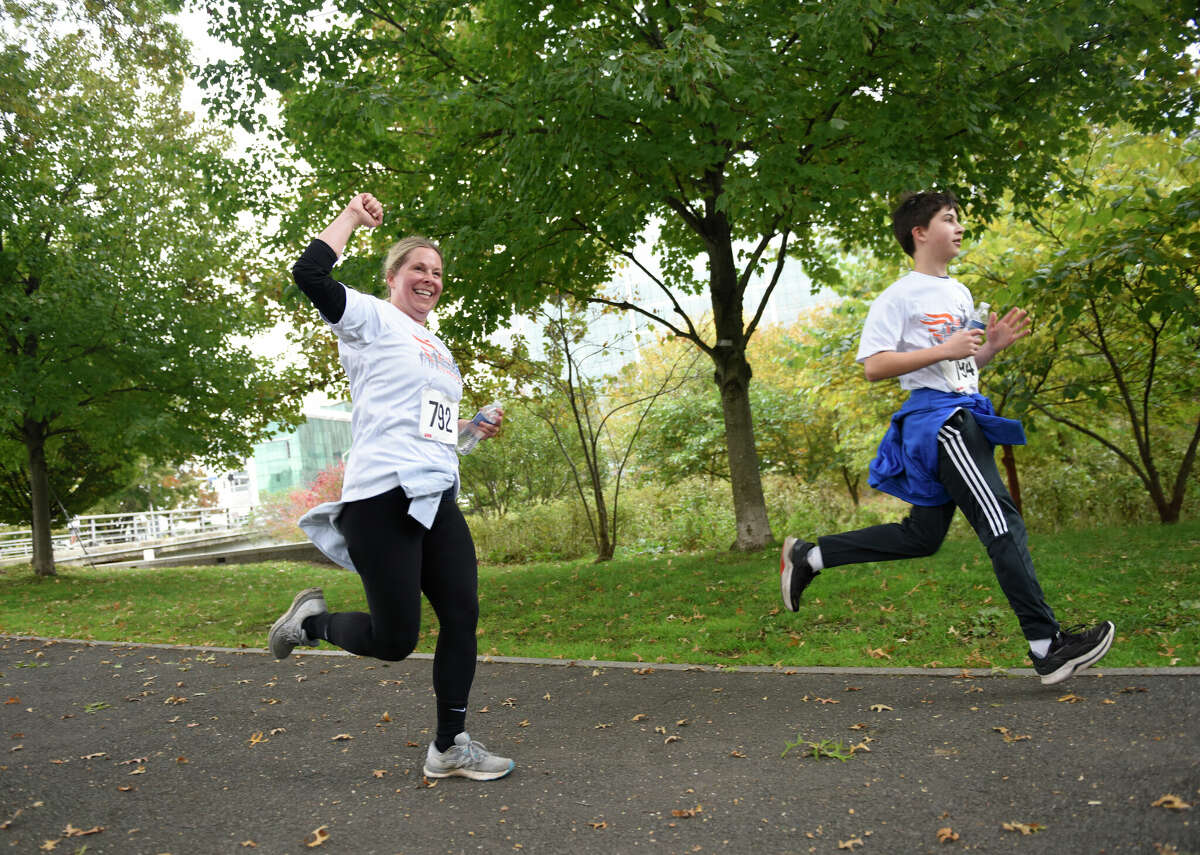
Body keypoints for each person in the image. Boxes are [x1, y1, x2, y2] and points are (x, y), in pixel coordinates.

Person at [778, 190, 1114, 686]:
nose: (959, 227)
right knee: (1002, 522)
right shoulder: (899, 296)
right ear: (920, 232)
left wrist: (987, 350)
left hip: (959, 412)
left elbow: (956, 367)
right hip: (942, 424)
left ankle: (810, 557)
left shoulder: (956, 293)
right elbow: (876, 366)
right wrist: (947, 348)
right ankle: (1048, 646)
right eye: (949, 219)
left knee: (922, 536)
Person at [268, 192, 514, 780]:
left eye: (436, 272)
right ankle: (310, 625)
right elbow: (309, 274)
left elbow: (428, 429)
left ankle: (449, 745)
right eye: (417, 269)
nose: (428, 278)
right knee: (395, 640)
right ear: (393, 277)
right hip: (382, 499)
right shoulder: (372, 319)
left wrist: (471, 430)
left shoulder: (441, 350)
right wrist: (352, 217)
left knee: (462, 615)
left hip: (435, 495)